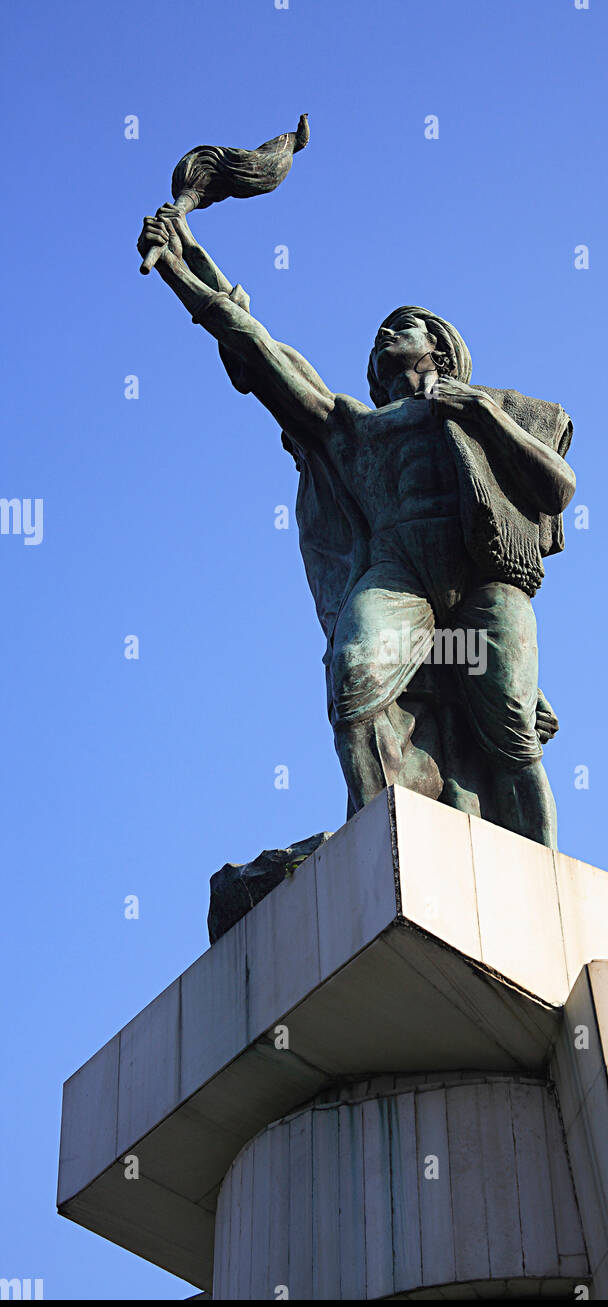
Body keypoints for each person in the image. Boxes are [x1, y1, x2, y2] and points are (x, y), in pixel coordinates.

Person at [137, 208, 575, 847]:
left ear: (442, 346)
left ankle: (544, 875)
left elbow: (557, 489)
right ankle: (381, 845)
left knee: (510, 723)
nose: (384, 333)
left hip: (485, 574)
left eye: (404, 325)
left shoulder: (500, 406)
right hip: (398, 572)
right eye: (377, 333)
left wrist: (479, 410)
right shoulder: (353, 427)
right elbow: (260, 350)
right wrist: (182, 266)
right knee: (352, 681)